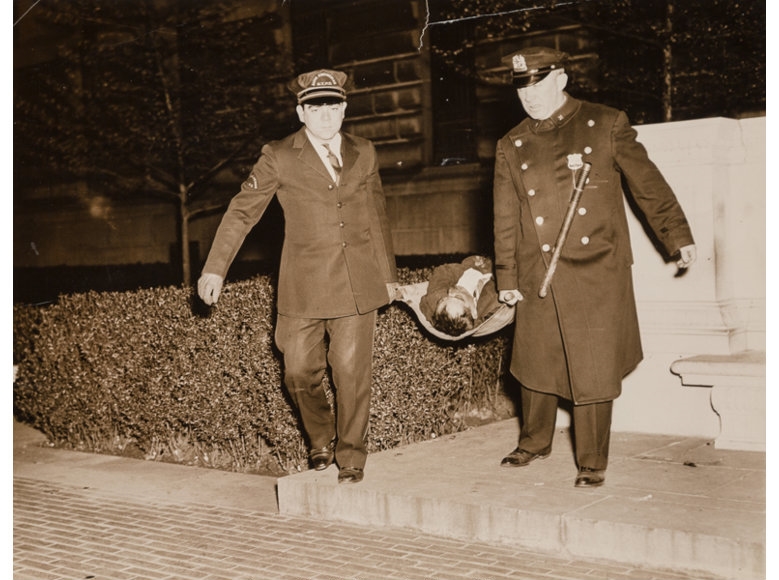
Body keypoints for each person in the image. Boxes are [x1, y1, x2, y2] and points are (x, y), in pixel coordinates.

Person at [492, 47, 696, 488]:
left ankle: (591, 460)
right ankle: (534, 441)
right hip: (537, 269)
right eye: (521, 89)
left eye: (538, 85)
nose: (529, 97)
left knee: (592, 365)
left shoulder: (605, 123)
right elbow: (505, 217)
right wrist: (506, 276)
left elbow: (649, 186)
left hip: (595, 268)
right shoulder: (511, 143)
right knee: (536, 359)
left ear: (561, 79)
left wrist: (677, 235)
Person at [197, 68, 399, 484]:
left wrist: (387, 276)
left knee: (350, 372)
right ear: (301, 112)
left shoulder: (366, 151)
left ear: (344, 109)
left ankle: (351, 454)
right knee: (298, 371)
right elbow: (242, 211)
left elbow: (378, 216)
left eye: (333, 106)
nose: (325, 116)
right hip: (303, 287)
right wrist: (216, 267)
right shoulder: (280, 155)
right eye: (315, 107)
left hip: (357, 285)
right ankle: (320, 437)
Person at [419, 255, 500, 336]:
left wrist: (468, 266)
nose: (451, 292)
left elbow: (442, 272)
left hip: (474, 263)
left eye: (443, 299)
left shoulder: (440, 298)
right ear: (474, 312)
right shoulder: (489, 304)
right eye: (459, 297)